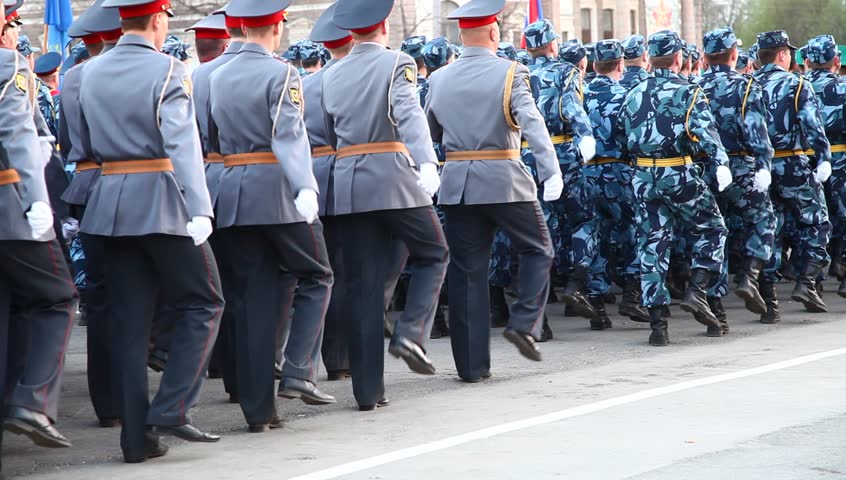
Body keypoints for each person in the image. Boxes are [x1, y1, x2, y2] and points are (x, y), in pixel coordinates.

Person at [79, 0, 224, 463]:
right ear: (159, 19)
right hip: (162, 199)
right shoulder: (169, 69)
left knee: (129, 322)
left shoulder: (89, 72)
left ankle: (135, 440)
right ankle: (173, 406)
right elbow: (182, 142)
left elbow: (84, 142)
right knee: (205, 301)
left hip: (109, 202)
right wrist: (199, 206)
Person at [208, 0, 336, 432]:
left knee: (252, 301)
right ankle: (298, 368)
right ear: (277, 27)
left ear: (242, 28)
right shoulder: (282, 73)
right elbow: (288, 134)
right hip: (277, 192)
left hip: (232, 191)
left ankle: (258, 410)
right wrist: (304, 185)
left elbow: (212, 137)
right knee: (317, 275)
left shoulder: (217, 75)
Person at [323, 0, 449, 410]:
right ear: (383, 27)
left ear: (350, 32)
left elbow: (325, 131)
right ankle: (411, 333)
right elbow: (408, 113)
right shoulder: (398, 62)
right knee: (434, 252)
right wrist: (426, 161)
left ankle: (367, 392)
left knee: (362, 286)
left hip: (348, 182)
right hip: (392, 177)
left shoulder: (330, 72)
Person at [427, 0, 563, 380]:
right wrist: (550, 171)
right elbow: (532, 124)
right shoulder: (511, 72)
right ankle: (524, 322)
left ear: (461, 36)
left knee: (467, 273)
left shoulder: (438, 78)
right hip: (504, 178)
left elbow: (430, 133)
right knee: (538, 248)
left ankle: (471, 367)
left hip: (458, 184)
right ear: (493, 32)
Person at [0, 0, 76, 468]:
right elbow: (17, 136)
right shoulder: (9, 65)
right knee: (57, 297)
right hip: (9, 206)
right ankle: (32, 401)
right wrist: (37, 199)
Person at [619, 30, 731, 346]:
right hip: (678, 172)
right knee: (713, 229)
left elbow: (622, 137)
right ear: (679, 58)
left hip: (643, 176)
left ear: (650, 59)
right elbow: (707, 134)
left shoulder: (633, 92)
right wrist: (721, 163)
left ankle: (658, 327)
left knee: (652, 246)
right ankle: (697, 290)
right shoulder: (688, 92)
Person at [57, 0, 123, 429]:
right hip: (127, 183)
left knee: (100, 298)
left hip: (84, 186)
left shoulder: (73, 77)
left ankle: (108, 403)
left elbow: (66, 142)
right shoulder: (130, 69)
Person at [697, 27, 776, 329]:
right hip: (742, 166)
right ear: (734, 54)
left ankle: (716, 310)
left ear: (705, 58)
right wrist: (764, 165)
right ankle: (751, 278)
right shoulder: (746, 85)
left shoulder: (693, 86)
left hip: (706, 169)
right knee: (763, 220)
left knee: (715, 232)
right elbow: (757, 130)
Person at [523, 20, 598, 323]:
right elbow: (572, 107)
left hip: (525, 157)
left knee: (537, 231)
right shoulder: (566, 72)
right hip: (561, 154)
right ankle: (575, 284)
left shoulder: (517, 73)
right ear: (553, 44)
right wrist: (586, 135)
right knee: (584, 220)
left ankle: (538, 318)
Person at [755, 30, 832, 314]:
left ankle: (769, 300)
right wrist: (823, 158)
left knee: (770, 229)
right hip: (792, 163)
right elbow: (812, 125)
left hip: (760, 167)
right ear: (782, 55)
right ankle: (807, 282)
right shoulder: (796, 83)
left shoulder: (748, 84)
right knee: (817, 222)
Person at [189, 4, 239, 401]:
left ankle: (219, 361)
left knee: (217, 279)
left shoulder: (192, 77)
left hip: (203, 178)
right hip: (240, 175)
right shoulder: (232, 71)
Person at [582, 39, 650, 325]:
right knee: (634, 230)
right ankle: (631, 296)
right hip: (620, 172)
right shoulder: (628, 95)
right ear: (621, 64)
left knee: (593, 234)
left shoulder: (580, 93)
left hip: (586, 174)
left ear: (594, 65)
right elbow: (636, 138)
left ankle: (596, 306)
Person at [304, 3, 354, 380]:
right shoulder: (354, 79)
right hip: (350, 173)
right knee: (351, 270)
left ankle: (334, 357)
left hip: (315, 176)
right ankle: (344, 356)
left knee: (329, 269)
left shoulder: (306, 84)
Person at [805, 35, 846, 298]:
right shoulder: (842, 87)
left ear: (807, 61)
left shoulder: (797, 85)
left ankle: (813, 279)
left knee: (813, 219)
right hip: (840, 158)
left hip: (805, 159)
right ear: (836, 61)